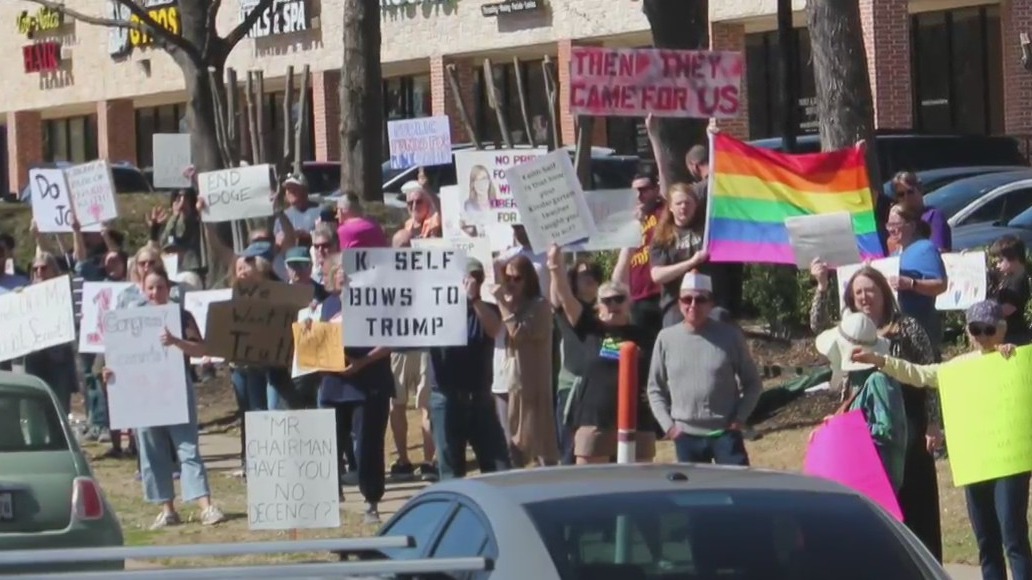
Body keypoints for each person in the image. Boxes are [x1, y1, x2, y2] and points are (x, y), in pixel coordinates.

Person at [852, 300, 1029, 580]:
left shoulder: (1013, 358)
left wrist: (1013, 354)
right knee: (986, 538)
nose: (983, 336)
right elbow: (919, 374)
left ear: (1002, 329)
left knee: (1013, 534)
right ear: (969, 333)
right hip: (976, 461)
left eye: (989, 329)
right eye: (976, 329)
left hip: (1009, 462)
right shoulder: (958, 367)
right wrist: (880, 361)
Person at [809, 260, 944, 561]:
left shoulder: (906, 327)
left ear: (884, 293)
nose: (864, 297)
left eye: (870, 290)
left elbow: (928, 374)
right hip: (863, 418)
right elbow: (817, 327)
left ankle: (923, 565)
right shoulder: (851, 329)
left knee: (914, 500)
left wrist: (933, 423)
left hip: (907, 417)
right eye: (858, 293)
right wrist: (821, 287)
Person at [101, 269, 226, 529]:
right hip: (143, 397)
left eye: (159, 287)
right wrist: (111, 373)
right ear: (143, 291)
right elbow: (120, 359)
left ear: (168, 289)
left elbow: (202, 349)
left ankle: (205, 506)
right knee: (151, 450)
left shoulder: (180, 315)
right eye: (150, 288)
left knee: (187, 448)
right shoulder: (130, 320)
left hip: (175, 392)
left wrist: (175, 341)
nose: (155, 293)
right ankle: (167, 509)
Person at [549, 245, 655, 464]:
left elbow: (658, 374)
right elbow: (564, 296)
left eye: (619, 299)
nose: (613, 304)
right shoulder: (588, 328)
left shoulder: (643, 335)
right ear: (598, 307)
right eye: (607, 301)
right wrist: (555, 267)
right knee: (590, 488)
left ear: (630, 303)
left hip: (638, 421)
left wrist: (626, 253)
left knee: (640, 490)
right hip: (595, 419)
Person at [647, 272, 762, 465]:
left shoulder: (730, 336)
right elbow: (654, 388)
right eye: (686, 299)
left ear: (711, 304)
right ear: (679, 302)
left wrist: (740, 418)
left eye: (700, 299)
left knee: (738, 492)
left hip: (725, 434)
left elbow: (753, 384)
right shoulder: (666, 339)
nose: (692, 305)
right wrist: (669, 427)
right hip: (685, 437)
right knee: (694, 495)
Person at [315, 259, 392, 524]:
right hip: (334, 386)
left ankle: (372, 501)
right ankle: (331, 500)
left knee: (368, 447)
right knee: (329, 445)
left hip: (369, 385)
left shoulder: (377, 302)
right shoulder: (327, 305)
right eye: (338, 272)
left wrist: (364, 361)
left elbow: (391, 340)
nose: (343, 277)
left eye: (348, 273)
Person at [427, 258, 511, 479]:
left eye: (477, 277)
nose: (472, 281)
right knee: (451, 468)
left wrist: (474, 299)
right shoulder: (435, 310)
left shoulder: (487, 310)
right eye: (468, 277)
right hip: (445, 397)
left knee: (498, 465)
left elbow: (494, 329)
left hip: (479, 398)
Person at [814, 312, 908, 492]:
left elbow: (887, 430)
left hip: (876, 484)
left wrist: (845, 427)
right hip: (859, 477)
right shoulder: (857, 380)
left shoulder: (878, 380)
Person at [387, 184, 441, 481]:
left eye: (408, 249)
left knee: (426, 404)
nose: (403, 253)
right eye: (399, 250)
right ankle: (403, 460)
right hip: (396, 346)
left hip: (423, 343)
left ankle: (430, 461)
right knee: (395, 403)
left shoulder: (429, 270)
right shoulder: (384, 276)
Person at [491, 254, 559, 467]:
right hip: (506, 383)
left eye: (517, 278)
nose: (511, 283)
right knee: (510, 446)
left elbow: (518, 334)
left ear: (528, 279)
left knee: (541, 447)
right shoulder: (510, 305)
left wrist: (502, 303)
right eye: (507, 278)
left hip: (532, 389)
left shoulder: (540, 306)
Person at [550, 257, 602, 464]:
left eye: (593, 275)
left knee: (596, 450)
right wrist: (555, 264)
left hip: (600, 390)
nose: (589, 278)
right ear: (573, 280)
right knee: (569, 453)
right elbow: (559, 290)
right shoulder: (568, 308)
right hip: (573, 389)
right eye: (583, 274)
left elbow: (619, 280)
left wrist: (628, 247)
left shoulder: (607, 308)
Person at [22, 252, 80, 415]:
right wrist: (18, 298)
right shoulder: (24, 294)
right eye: (35, 269)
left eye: (44, 268)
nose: (39, 272)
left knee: (59, 405)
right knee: (34, 405)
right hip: (34, 358)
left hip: (58, 358)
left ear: (54, 270)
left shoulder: (65, 292)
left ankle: (60, 439)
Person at [887, 205, 948, 357]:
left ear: (912, 225)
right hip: (896, 330)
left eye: (896, 225)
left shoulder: (925, 248)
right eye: (889, 225)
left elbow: (941, 284)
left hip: (922, 327)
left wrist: (912, 284)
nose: (892, 230)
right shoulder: (894, 255)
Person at [612, 168, 665, 342]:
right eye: (634, 191)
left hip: (661, 296)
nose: (638, 195)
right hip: (636, 299)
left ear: (656, 190)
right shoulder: (630, 221)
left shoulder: (664, 213)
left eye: (643, 190)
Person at [648, 182, 710, 327]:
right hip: (675, 303)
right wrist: (691, 262)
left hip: (707, 301)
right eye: (678, 203)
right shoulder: (662, 236)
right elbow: (657, 275)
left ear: (695, 205)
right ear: (670, 207)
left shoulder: (707, 230)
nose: (683, 207)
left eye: (688, 203)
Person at [890, 171, 952, 253]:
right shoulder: (899, 221)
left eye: (910, 192)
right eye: (901, 194)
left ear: (920, 190)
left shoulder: (933, 216)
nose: (906, 197)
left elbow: (939, 251)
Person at [988, 235, 1031, 346]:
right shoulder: (1008, 277)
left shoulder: (1019, 280)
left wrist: (986, 309)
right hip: (1008, 333)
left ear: (1013, 258)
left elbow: (1008, 309)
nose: (997, 265)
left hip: (1015, 335)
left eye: (1000, 261)